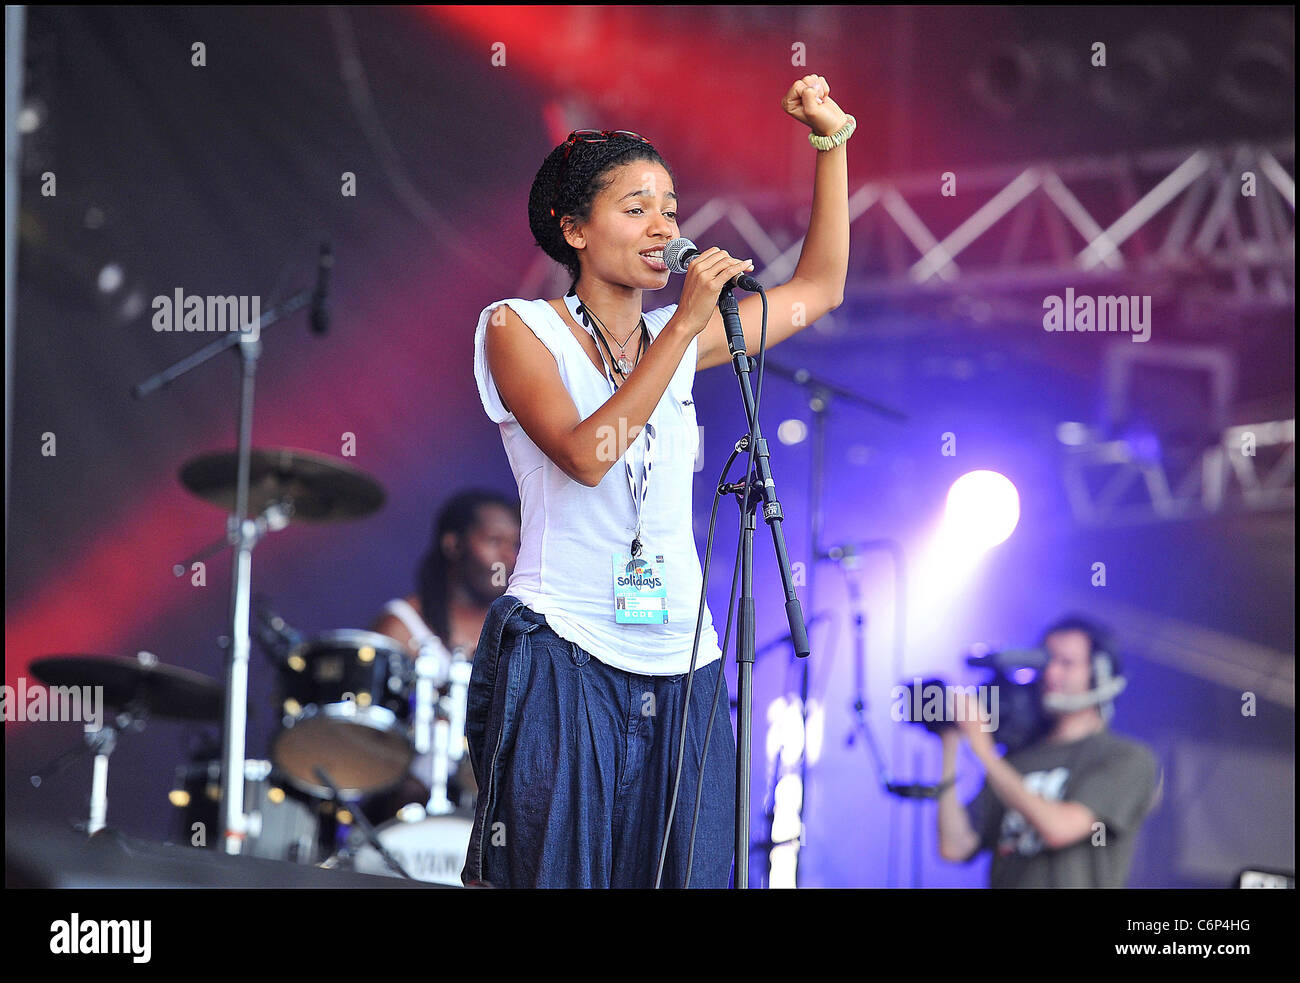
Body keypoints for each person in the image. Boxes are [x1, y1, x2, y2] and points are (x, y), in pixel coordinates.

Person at [465, 75, 852, 888]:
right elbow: (587, 452)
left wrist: (831, 144)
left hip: (686, 657)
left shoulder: (682, 342)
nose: (664, 225)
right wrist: (681, 324)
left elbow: (817, 290)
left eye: (671, 208)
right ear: (573, 228)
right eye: (636, 207)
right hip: (564, 648)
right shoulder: (516, 326)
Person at [937, 616, 1161, 887]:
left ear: (1099, 673)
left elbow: (1059, 828)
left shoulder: (1125, 758)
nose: (1052, 673)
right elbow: (955, 846)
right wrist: (950, 744)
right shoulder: (1016, 759)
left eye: (1067, 663)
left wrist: (985, 752)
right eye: (1047, 661)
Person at [365, 489, 520, 817]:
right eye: (494, 541)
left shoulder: (517, 632)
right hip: (404, 806)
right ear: (453, 545)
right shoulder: (402, 625)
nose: (508, 556)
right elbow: (368, 738)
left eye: (516, 545)